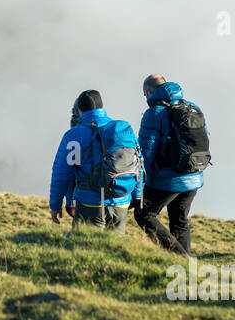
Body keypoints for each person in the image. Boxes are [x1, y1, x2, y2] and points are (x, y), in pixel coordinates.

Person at [133, 75, 210, 258]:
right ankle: (185, 266)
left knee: (144, 214)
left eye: (145, 94)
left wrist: (140, 184)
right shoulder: (193, 107)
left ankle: (180, 257)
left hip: (167, 179)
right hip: (194, 175)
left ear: (150, 92)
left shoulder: (154, 113)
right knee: (180, 221)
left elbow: (146, 153)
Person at [49, 90, 142, 231]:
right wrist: (137, 194)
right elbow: (138, 163)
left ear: (79, 109)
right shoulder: (123, 130)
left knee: (85, 246)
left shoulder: (74, 135)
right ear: (101, 107)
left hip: (90, 202)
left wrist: (56, 205)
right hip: (121, 199)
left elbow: (62, 173)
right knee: (114, 248)